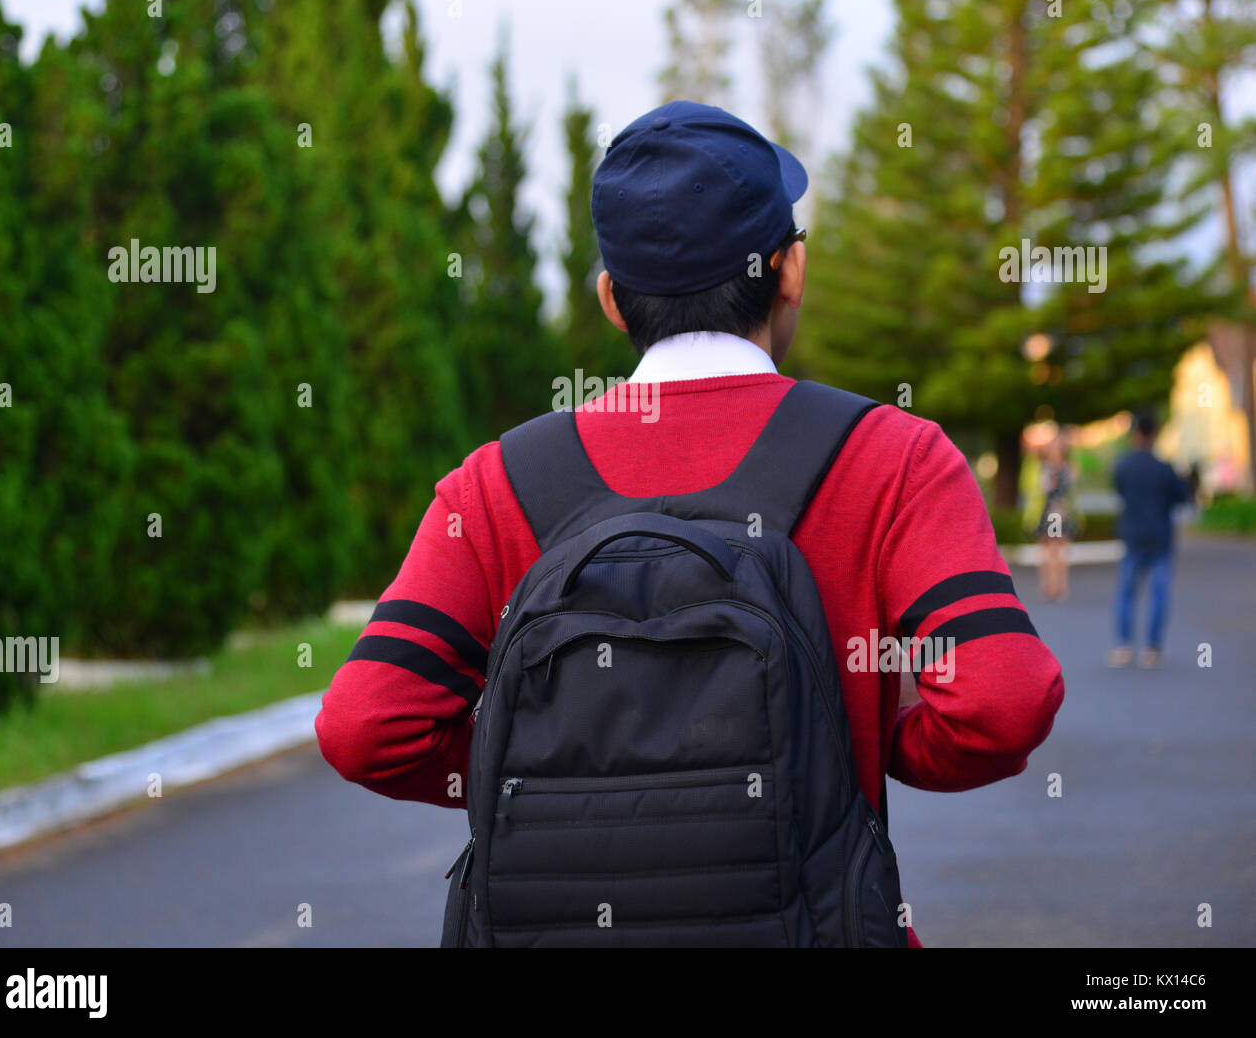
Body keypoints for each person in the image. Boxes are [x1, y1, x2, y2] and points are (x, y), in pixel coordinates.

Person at [315, 100, 1065, 946]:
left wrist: (536, 777)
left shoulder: (495, 484)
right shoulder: (894, 457)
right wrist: (865, 746)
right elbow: (1002, 700)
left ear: (610, 299)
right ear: (790, 272)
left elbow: (365, 726)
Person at [1108, 409, 1193, 669]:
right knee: (1158, 595)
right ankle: (1152, 649)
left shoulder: (1123, 466)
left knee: (1126, 593)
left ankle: (1123, 646)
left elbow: (1119, 491)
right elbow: (1182, 497)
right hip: (1160, 537)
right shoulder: (1164, 468)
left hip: (1132, 536)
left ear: (1135, 434)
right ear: (1154, 434)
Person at [1030, 433, 1081, 601]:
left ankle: (1056, 585)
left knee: (1056, 550)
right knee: (1049, 550)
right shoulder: (1055, 468)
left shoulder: (1060, 469)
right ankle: (1051, 584)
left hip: (1056, 512)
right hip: (1051, 511)